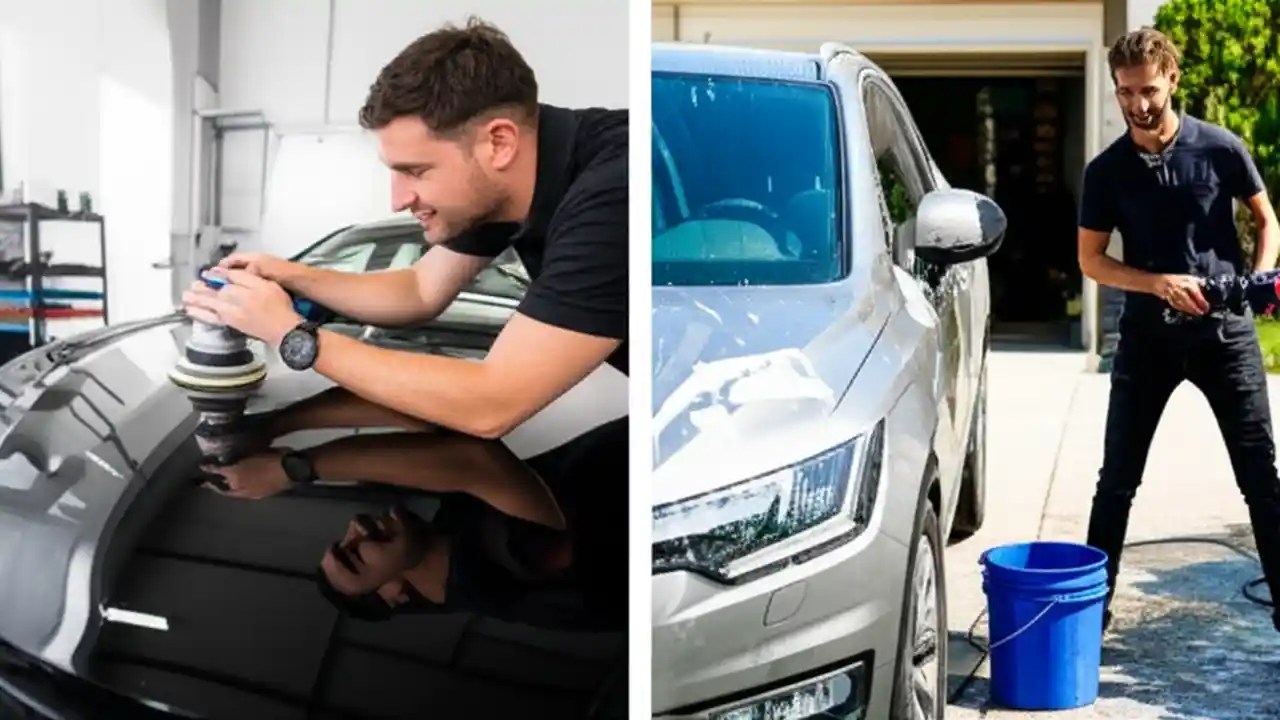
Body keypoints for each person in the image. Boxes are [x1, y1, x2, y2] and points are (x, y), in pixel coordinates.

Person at [181, 17, 628, 439]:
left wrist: (290, 335)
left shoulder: (618, 191)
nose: (398, 200)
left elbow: (492, 403)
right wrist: (290, 274)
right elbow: (419, 290)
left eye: (416, 171)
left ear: (499, 142)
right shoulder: (505, 184)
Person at [1077, 27, 1280, 632]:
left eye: (1148, 90)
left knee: (1261, 481)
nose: (1137, 104)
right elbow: (1091, 261)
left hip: (1226, 337)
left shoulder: (1219, 148)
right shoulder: (1106, 172)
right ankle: (1087, 621)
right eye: (1125, 92)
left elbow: (1267, 221)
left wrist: (1258, 280)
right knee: (1116, 482)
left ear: (1172, 79)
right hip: (1147, 340)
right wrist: (1156, 283)